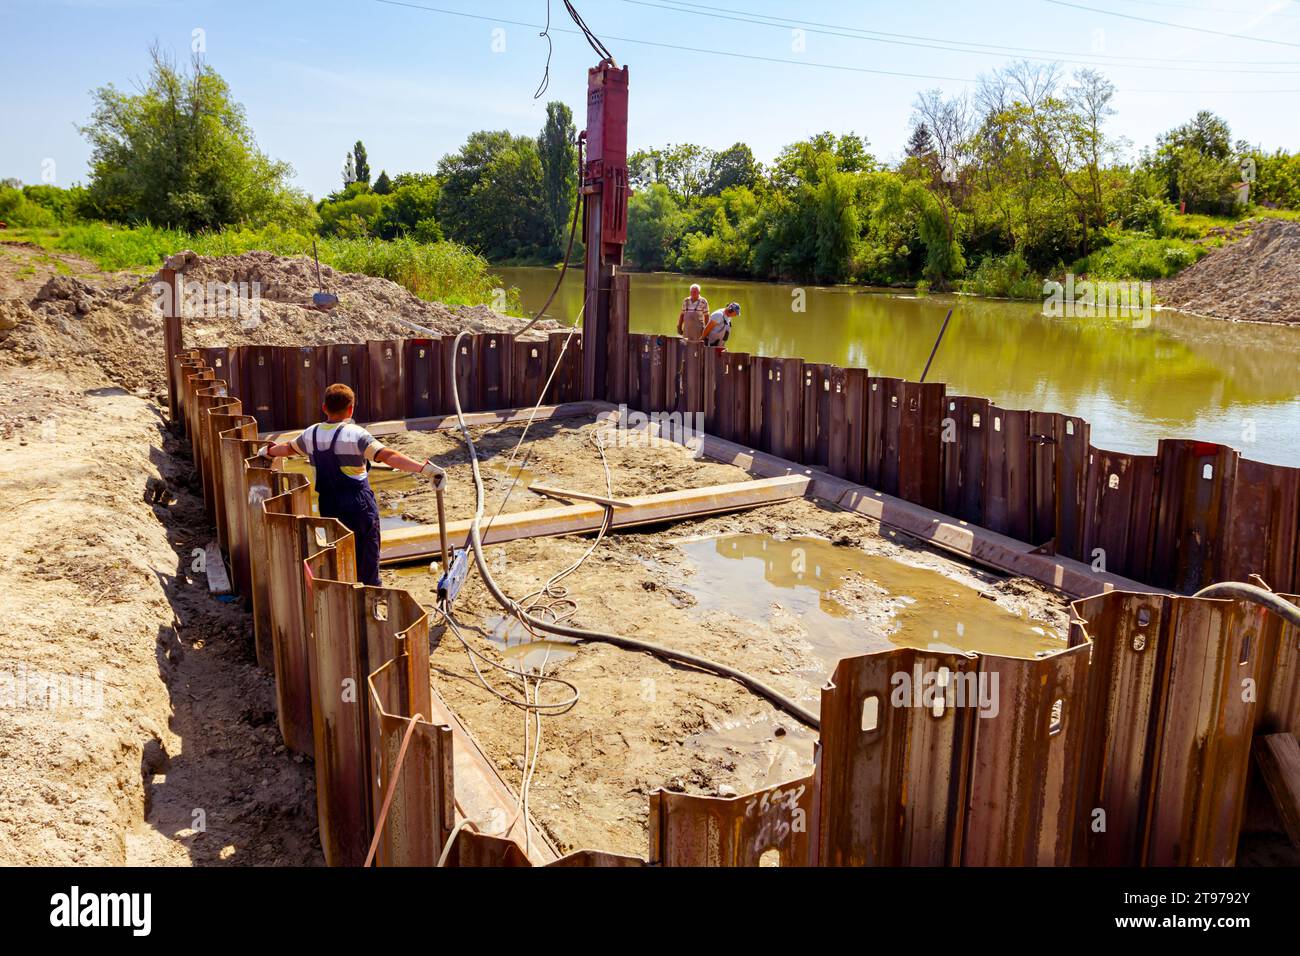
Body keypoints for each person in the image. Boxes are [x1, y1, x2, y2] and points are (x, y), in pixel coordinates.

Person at [260, 383, 442, 587]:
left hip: (329, 505)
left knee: (340, 554)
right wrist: (423, 468)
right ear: (351, 409)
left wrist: (267, 452)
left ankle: (343, 594)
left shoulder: (311, 434)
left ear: (324, 408)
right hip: (359, 505)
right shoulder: (355, 434)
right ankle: (369, 596)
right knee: (367, 557)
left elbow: (288, 448)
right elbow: (387, 456)